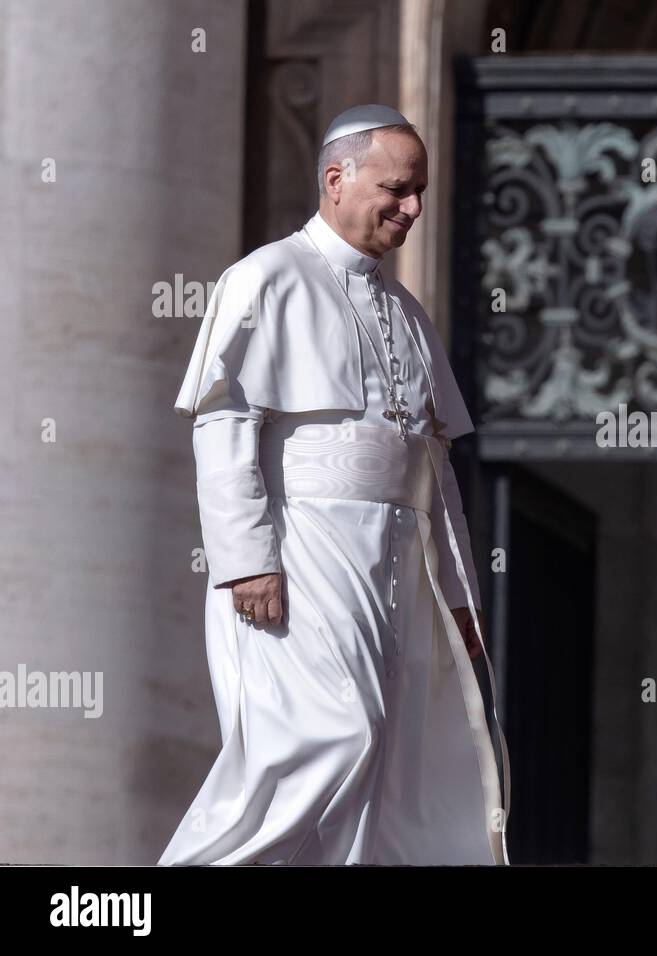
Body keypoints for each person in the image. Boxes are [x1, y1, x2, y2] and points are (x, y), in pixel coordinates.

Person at [159, 105, 509, 865]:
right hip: (301, 549)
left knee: (384, 757)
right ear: (335, 179)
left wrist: (458, 597)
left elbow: (432, 466)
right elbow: (223, 423)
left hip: (395, 566)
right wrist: (248, 557)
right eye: (397, 188)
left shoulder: (410, 314)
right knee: (324, 735)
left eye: (419, 191)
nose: (413, 208)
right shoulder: (265, 277)